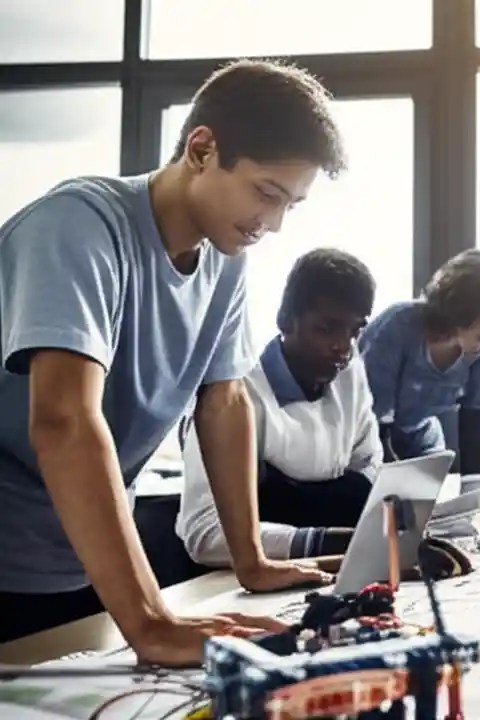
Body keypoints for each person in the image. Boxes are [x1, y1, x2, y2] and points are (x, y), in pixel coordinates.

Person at [0, 59, 343, 661]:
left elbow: (225, 401)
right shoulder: (77, 226)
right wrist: (153, 621)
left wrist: (251, 560)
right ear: (202, 148)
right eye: (267, 193)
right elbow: (64, 420)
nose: (276, 223)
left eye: (292, 204)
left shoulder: (225, 259)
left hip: (80, 561)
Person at [178, 248, 381, 566]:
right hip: (229, 582)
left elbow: (370, 471)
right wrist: (320, 540)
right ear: (286, 321)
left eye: (355, 331)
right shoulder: (232, 396)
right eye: (326, 328)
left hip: (326, 567)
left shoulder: (349, 374)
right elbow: (204, 533)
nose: (343, 346)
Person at [359, 249, 480, 473]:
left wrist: (473, 488)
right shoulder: (398, 325)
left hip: (423, 446)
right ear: (461, 304)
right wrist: (395, 483)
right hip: (366, 446)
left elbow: (475, 422)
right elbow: (374, 422)